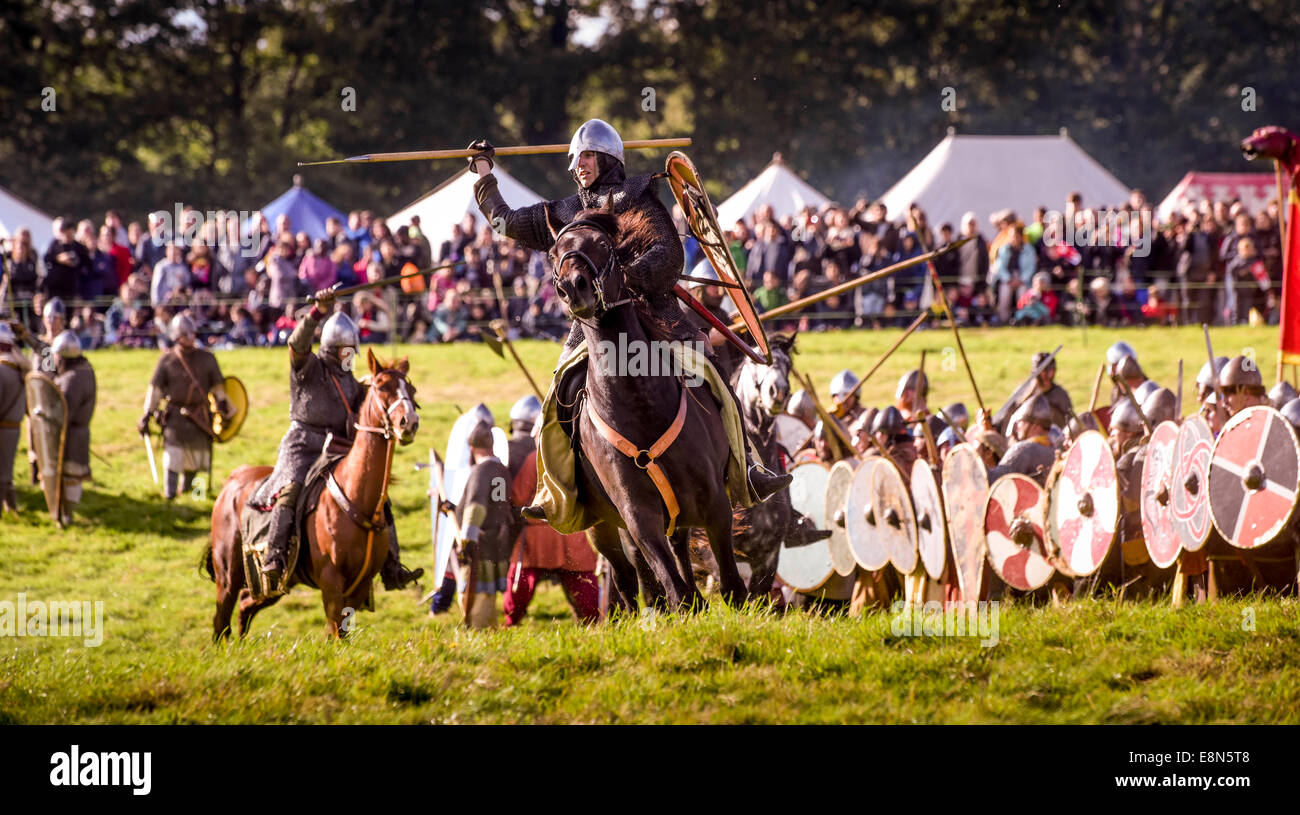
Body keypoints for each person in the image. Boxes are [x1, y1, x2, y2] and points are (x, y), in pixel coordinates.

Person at [469, 118, 789, 515]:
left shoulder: (638, 198)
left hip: (656, 315)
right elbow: (508, 223)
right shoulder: (566, 212)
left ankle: (748, 467)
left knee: (710, 372)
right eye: (575, 159)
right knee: (560, 393)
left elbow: (668, 256)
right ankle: (557, 488)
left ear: (607, 157)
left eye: (586, 155)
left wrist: (626, 278)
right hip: (591, 328)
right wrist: (485, 174)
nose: (578, 165)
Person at [257, 288, 422, 593]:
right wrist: (317, 312)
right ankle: (274, 558)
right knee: (290, 491)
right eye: (345, 351)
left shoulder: (352, 383)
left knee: (377, 498)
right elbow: (297, 342)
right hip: (304, 446)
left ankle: (392, 566)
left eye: (352, 351)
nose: (349, 357)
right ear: (332, 348)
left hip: (339, 449)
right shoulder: (308, 368)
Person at [502, 396, 600, 625]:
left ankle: (510, 623)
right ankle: (594, 624)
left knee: (521, 582)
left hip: (539, 538)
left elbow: (517, 496)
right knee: (583, 582)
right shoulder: (580, 456)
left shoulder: (535, 458)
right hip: (574, 534)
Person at [139, 314, 236, 500]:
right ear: (176, 336)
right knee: (173, 458)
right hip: (175, 418)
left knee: (198, 461)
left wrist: (225, 408)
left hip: (200, 417)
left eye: (192, 333)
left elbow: (218, 388)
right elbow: (155, 390)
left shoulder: (207, 358)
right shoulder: (167, 360)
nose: (190, 337)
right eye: (185, 334)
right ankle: (170, 496)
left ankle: (197, 497)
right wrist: (147, 413)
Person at [453, 420, 515, 628]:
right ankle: (489, 636)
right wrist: (451, 508)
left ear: (471, 448)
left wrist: (466, 540)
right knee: (487, 596)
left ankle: (478, 638)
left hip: (479, 543)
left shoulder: (481, 471)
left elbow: (476, 507)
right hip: (497, 541)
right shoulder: (501, 469)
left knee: (474, 594)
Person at [0, 322, 28, 513]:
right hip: (15, 426)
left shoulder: (3, 370)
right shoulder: (22, 368)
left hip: (2, 426)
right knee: (7, 469)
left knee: (1, 473)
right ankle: (12, 506)